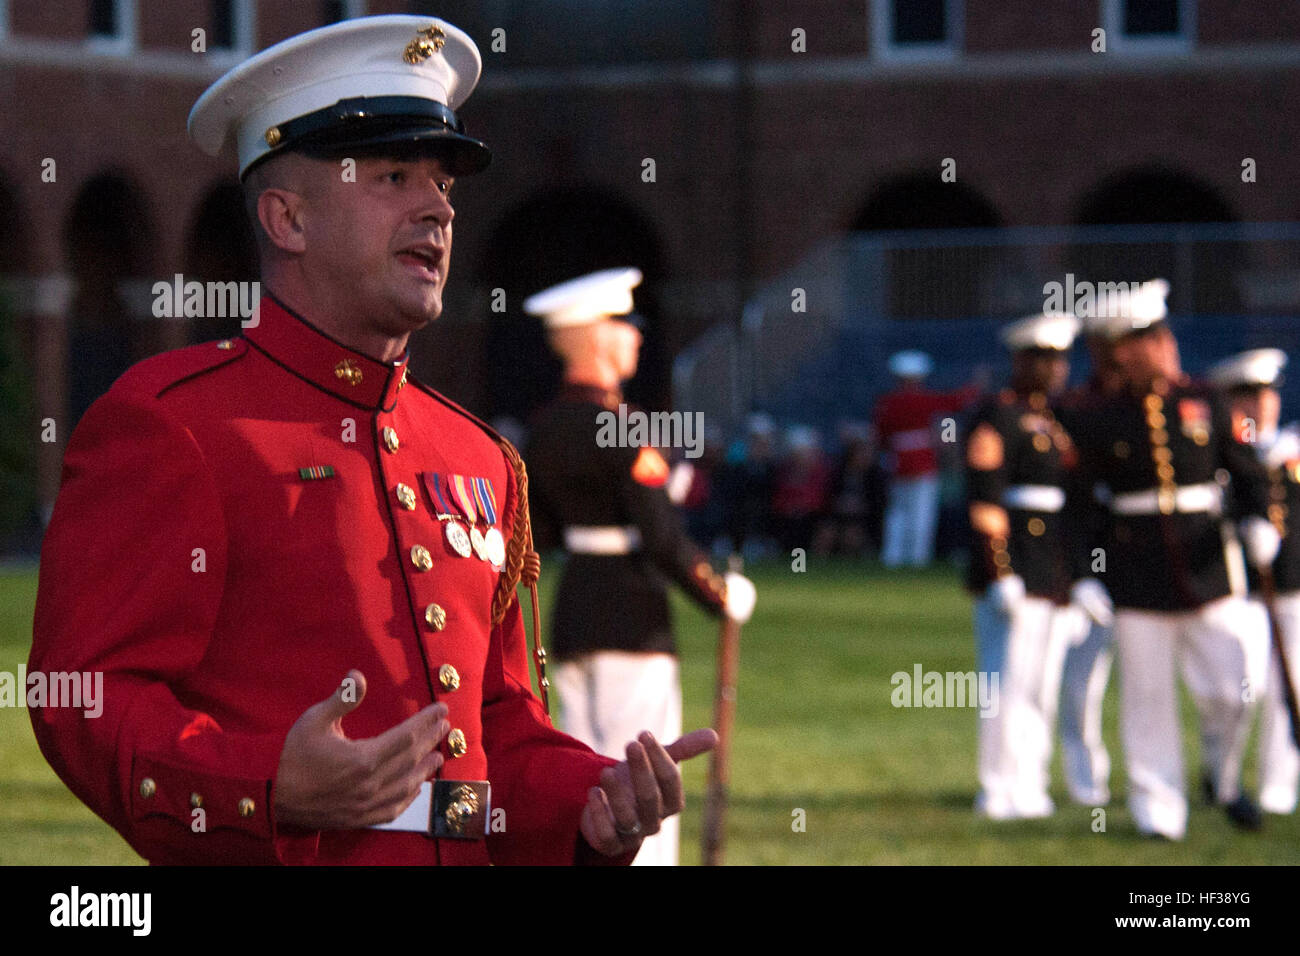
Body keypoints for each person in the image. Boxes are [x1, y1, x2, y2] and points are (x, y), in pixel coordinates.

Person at [28, 15, 716, 866]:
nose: (435, 207)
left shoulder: (478, 458)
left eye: (445, 186)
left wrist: (589, 799)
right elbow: (83, 696)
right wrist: (266, 784)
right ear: (287, 219)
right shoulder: (175, 424)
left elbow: (498, 727)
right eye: (394, 175)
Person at [1070, 279, 1275, 839]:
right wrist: (1086, 574)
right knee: (1148, 699)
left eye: (1157, 336)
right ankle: (1158, 809)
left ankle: (1222, 772)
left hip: (1209, 566)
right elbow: (1082, 504)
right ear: (1120, 350)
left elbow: (1248, 473)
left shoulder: (1206, 398)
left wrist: (1259, 523)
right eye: (1142, 339)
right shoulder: (1096, 416)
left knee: (1233, 688)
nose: (1158, 347)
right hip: (1137, 572)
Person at [964, 311, 1102, 818]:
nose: (1057, 369)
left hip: (1052, 568)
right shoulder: (995, 416)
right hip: (1016, 563)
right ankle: (998, 786)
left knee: (1042, 683)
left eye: (1061, 359)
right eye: (1045, 359)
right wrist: (1001, 572)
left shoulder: (1059, 419)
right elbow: (985, 500)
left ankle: (1032, 781)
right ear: (1022, 361)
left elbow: (1073, 502)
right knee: (1005, 682)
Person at [1208, 348, 1300, 815]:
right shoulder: (1215, 456)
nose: (1261, 403)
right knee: (1242, 686)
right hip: (1237, 590)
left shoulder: (1292, 451)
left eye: (1267, 393)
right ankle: (1221, 777)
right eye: (1248, 394)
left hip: (1293, 588)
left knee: (1291, 687)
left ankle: (1276, 788)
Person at [1053, 316, 1127, 807]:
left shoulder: (1172, 407)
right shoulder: (1075, 414)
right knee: (1080, 688)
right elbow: (1069, 505)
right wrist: (1081, 573)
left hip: (1161, 574)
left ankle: (1214, 778)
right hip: (1095, 575)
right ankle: (1088, 784)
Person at [875, 351, 979, 567]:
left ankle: (893, 557)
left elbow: (881, 435)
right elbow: (955, 401)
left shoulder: (887, 402)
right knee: (919, 514)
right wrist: (976, 386)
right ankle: (916, 558)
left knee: (898, 513)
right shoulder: (921, 400)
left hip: (899, 463)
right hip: (922, 463)